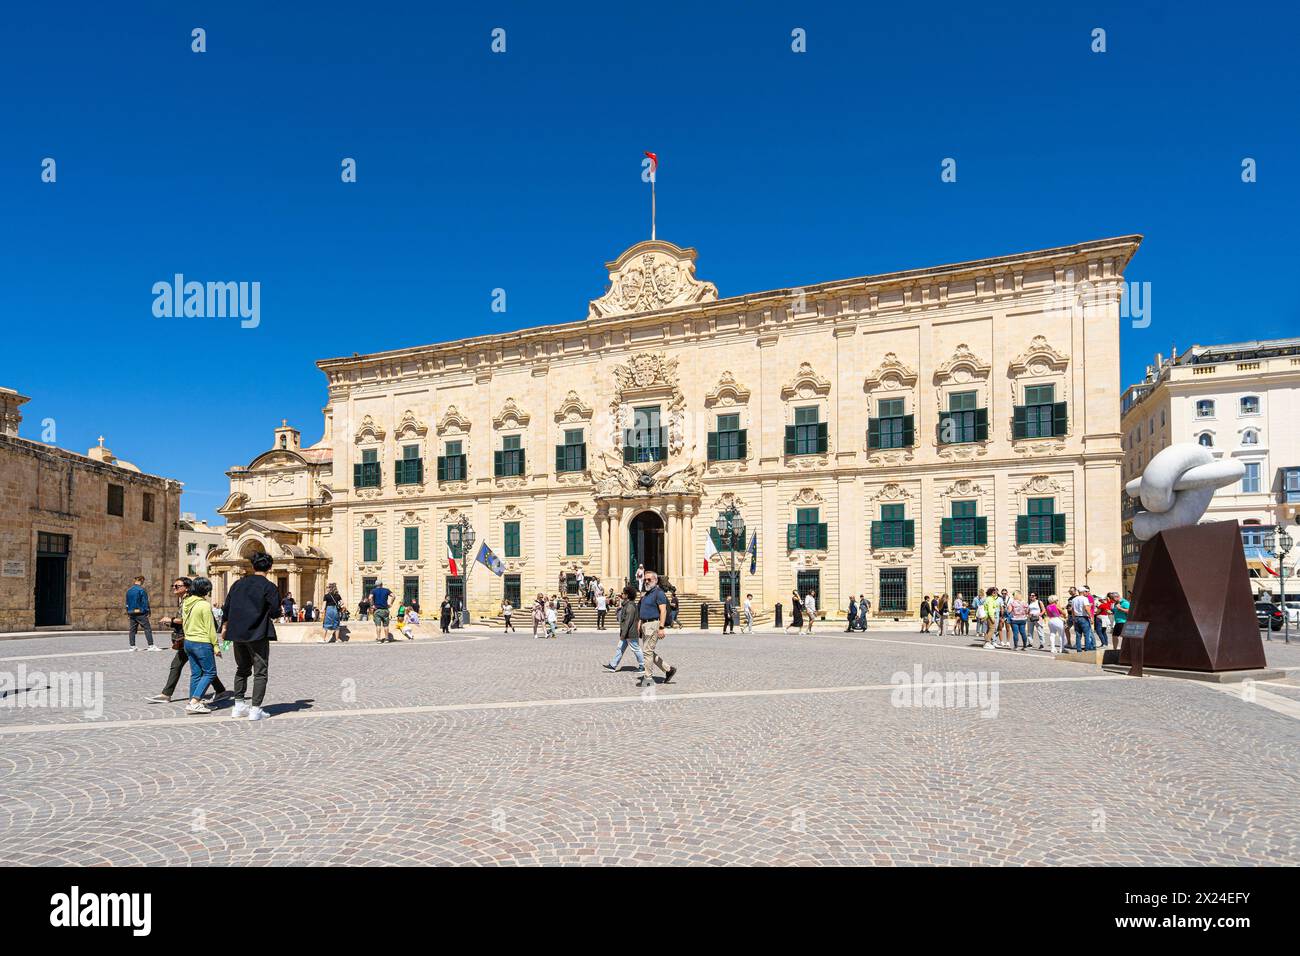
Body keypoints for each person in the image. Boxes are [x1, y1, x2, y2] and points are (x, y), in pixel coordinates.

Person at [147, 577, 230, 704]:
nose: (174, 588)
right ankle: (196, 699)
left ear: (188, 587)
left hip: (190, 640)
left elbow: (189, 621)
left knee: (199, 670)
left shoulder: (189, 602)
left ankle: (178, 696)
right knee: (205, 670)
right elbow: (203, 626)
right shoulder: (198, 603)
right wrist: (216, 646)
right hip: (194, 640)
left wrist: (172, 620)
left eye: (177, 586)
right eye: (173, 586)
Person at [220, 550, 279, 721]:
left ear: (253, 566)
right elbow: (275, 612)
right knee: (260, 671)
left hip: (237, 633)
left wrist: (224, 627)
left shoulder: (237, 584)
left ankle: (238, 705)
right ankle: (255, 709)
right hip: (258, 633)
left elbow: (227, 608)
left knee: (242, 668)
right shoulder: (269, 587)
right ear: (269, 567)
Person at [179, 577, 222, 715]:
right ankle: (195, 702)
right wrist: (216, 646)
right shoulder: (203, 605)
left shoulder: (186, 602)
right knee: (210, 672)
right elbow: (210, 628)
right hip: (201, 642)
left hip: (189, 641)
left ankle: (194, 700)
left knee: (196, 673)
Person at [636, 571, 675, 686]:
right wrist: (639, 622)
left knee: (647, 651)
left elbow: (663, 610)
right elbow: (642, 609)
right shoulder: (646, 594)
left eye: (649, 579)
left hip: (653, 624)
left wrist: (661, 628)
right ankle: (668, 670)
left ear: (655, 580)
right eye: (645, 580)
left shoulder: (659, 593)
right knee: (649, 651)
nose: (646, 582)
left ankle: (648, 678)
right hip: (645, 624)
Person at [603, 585, 646, 675]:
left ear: (627, 595)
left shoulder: (630, 606)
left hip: (630, 632)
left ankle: (643, 665)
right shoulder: (627, 605)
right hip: (627, 632)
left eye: (623, 593)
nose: (621, 594)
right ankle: (613, 665)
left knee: (636, 648)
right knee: (620, 648)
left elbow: (628, 621)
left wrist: (623, 634)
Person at [125, 575, 158, 651]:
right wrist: (148, 611)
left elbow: (127, 603)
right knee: (147, 628)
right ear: (142, 580)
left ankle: (132, 646)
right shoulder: (141, 590)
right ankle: (151, 645)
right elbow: (145, 602)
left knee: (132, 630)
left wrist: (128, 612)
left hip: (131, 612)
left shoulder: (129, 590)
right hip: (140, 612)